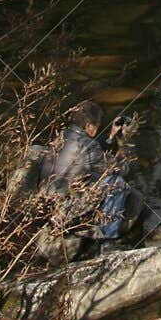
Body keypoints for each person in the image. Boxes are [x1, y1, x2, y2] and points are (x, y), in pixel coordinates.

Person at [47, 100, 141, 242]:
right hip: (67, 210)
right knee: (117, 183)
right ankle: (108, 237)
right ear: (88, 126)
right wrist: (126, 141)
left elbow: (89, 158)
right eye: (97, 124)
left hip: (51, 202)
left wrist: (110, 137)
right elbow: (122, 169)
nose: (98, 126)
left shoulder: (61, 135)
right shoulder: (89, 147)